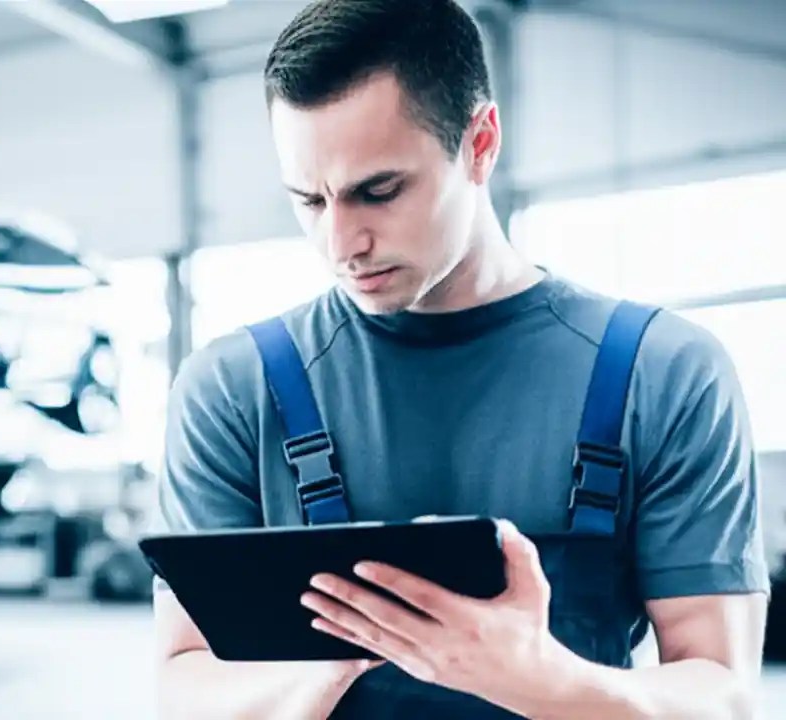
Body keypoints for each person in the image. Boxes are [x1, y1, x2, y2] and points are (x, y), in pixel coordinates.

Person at [151, 0, 770, 717]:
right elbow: (185, 689)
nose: (341, 245)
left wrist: (537, 678)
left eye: (378, 191)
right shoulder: (233, 390)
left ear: (480, 143)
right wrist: (349, 648)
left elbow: (723, 696)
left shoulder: (662, 374)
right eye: (310, 201)